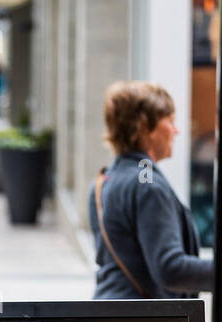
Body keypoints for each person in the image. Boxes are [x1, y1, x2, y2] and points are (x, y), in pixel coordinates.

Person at [88, 81, 213, 299]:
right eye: (170, 121)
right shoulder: (148, 187)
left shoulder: (103, 181)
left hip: (106, 318)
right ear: (146, 128)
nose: (176, 130)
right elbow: (170, 269)